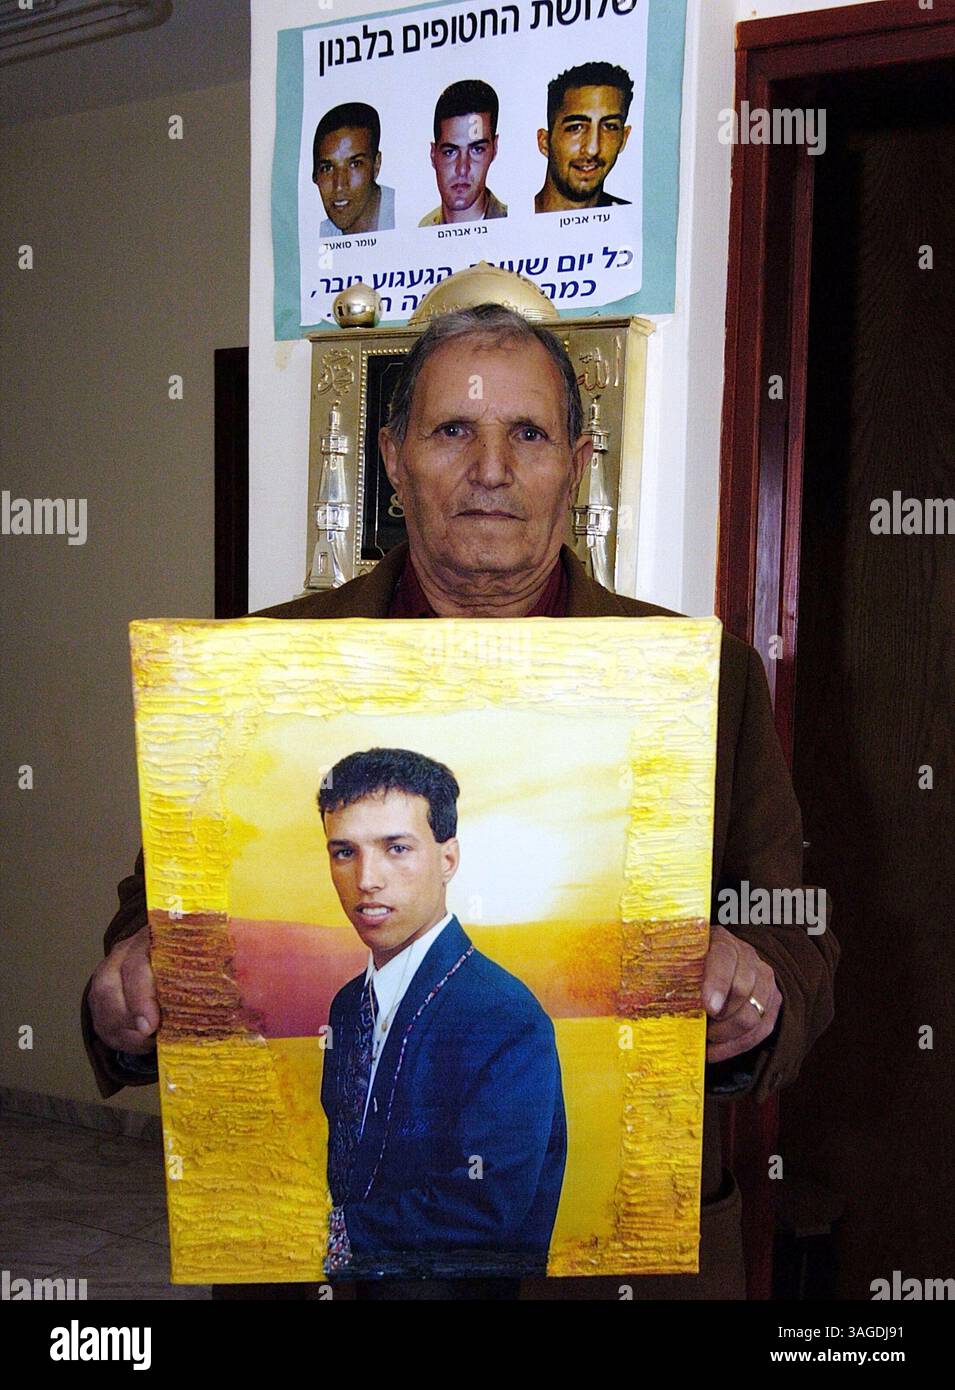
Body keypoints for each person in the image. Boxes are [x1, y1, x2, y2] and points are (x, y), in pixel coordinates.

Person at [83, 302, 839, 1300]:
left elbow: (795, 928)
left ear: (575, 460)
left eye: (526, 433)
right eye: (452, 431)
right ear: (394, 461)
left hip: (605, 1265)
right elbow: (155, 921)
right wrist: (126, 989)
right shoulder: (263, 670)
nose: (491, 467)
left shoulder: (699, 677)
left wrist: (757, 987)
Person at [318, 747, 566, 1278]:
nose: (366, 879)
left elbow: (488, 1204)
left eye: (396, 848)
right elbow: (347, 1162)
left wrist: (337, 1234)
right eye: (344, 852)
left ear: (447, 859)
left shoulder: (506, 1017)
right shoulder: (345, 1007)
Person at [534, 62, 633, 214]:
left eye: (610, 127)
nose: (593, 149)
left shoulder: (631, 217)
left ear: (623, 138)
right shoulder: (513, 215)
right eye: (576, 128)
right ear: (544, 142)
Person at [419, 80, 507, 226]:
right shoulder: (423, 228)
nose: (462, 169)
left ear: (494, 148)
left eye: (477, 150)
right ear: (433, 155)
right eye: (450, 152)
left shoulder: (511, 224)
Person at [313, 102, 395, 237]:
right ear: (315, 176)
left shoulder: (403, 214)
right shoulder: (321, 236)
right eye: (328, 168)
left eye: (355, 164)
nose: (339, 185)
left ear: (376, 164)